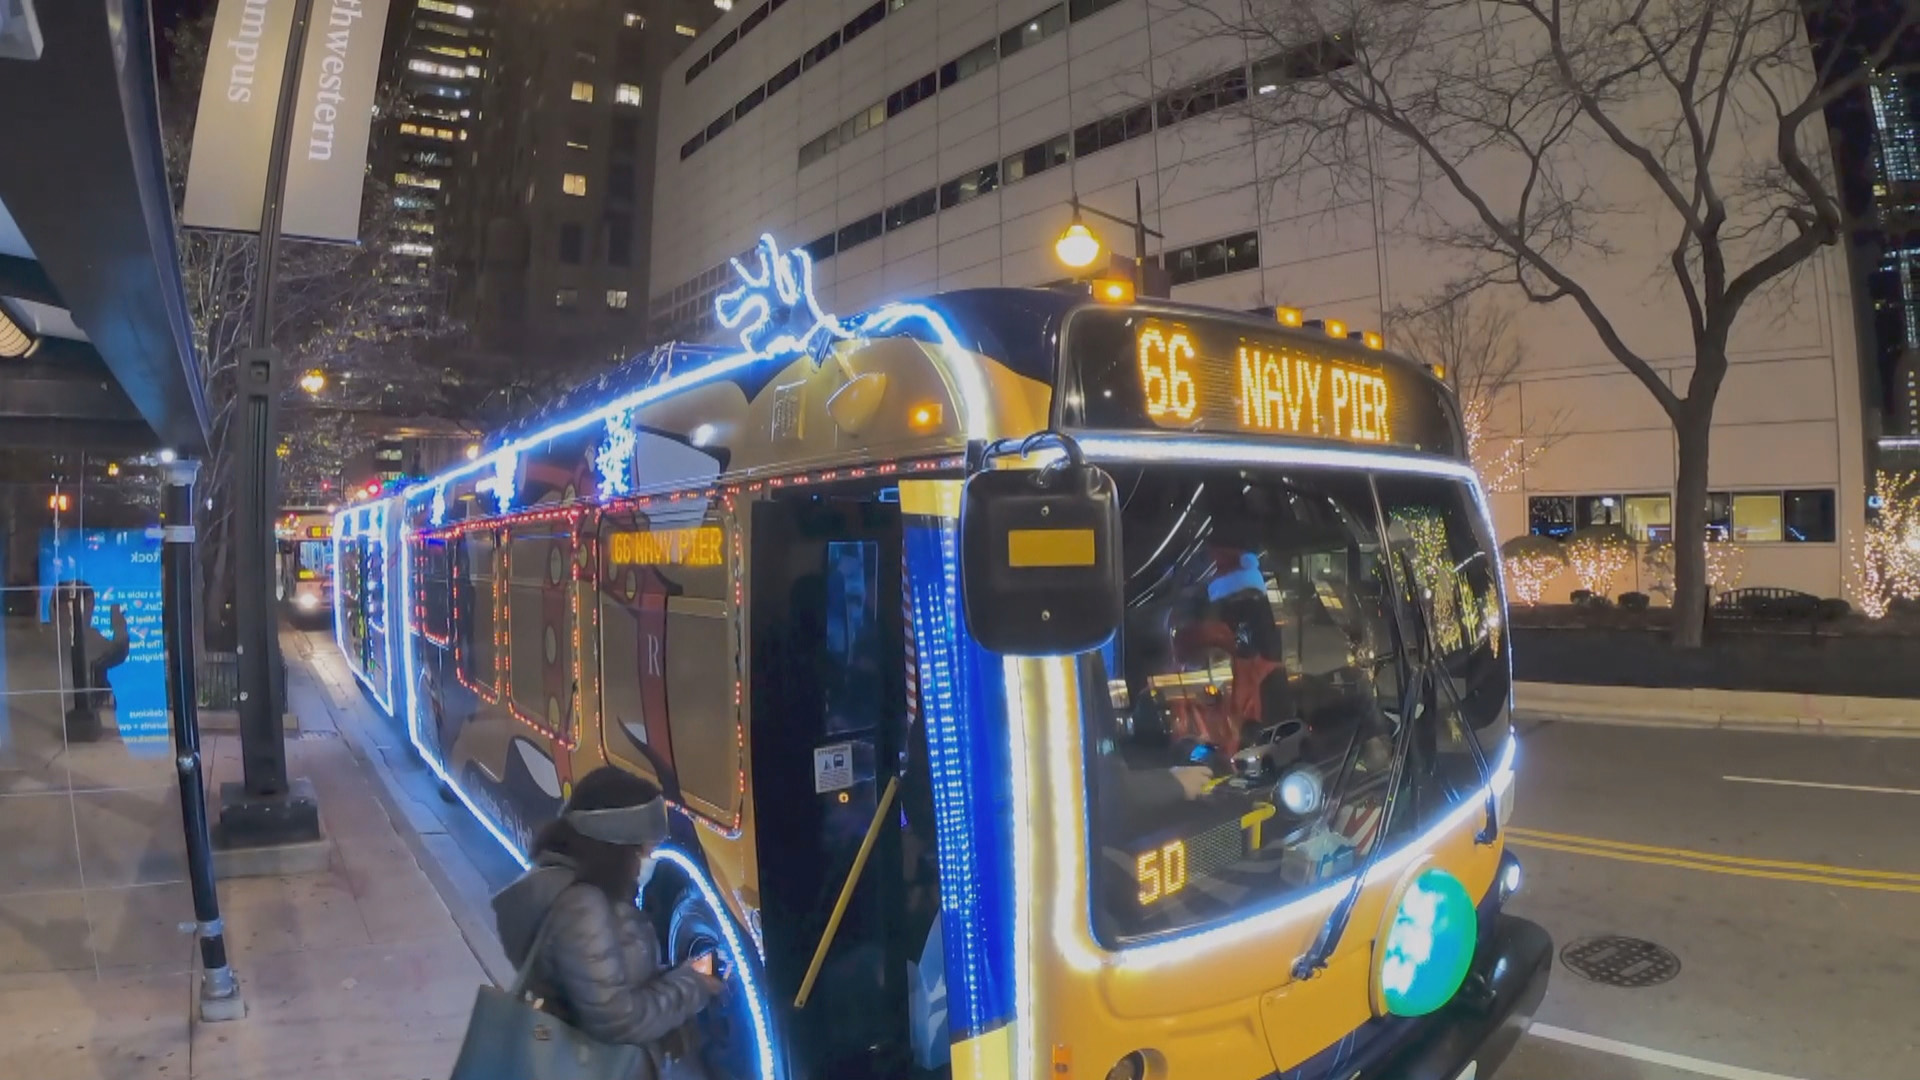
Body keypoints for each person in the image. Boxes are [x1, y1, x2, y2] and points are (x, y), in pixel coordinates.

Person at [491, 767, 725, 1080]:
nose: (650, 857)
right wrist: (694, 983)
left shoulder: (592, 891)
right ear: (616, 846)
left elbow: (609, 980)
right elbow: (617, 1018)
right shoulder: (582, 907)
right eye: (644, 848)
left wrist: (680, 973)